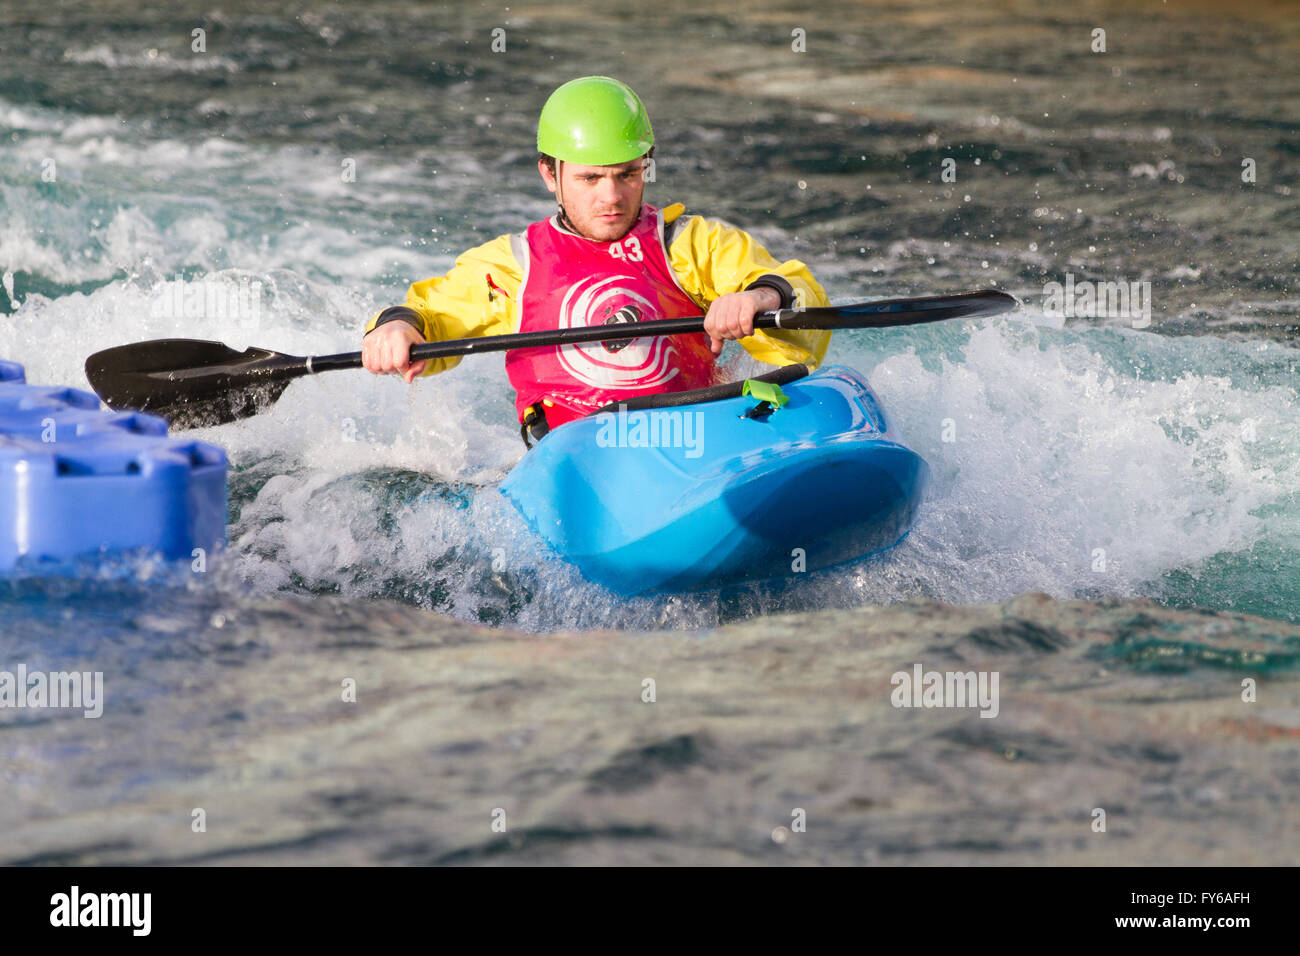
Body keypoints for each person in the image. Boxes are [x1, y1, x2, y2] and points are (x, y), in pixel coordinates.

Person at [361, 75, 832, 444]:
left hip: (696, 438)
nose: (612, 196)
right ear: (550, 174)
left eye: (628, 174)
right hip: (577, 456)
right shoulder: (512, 266)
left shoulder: (690, 245)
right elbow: (430, 314)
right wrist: (396, 327)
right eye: (590, 179)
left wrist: (759, 296)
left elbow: (802, 298)